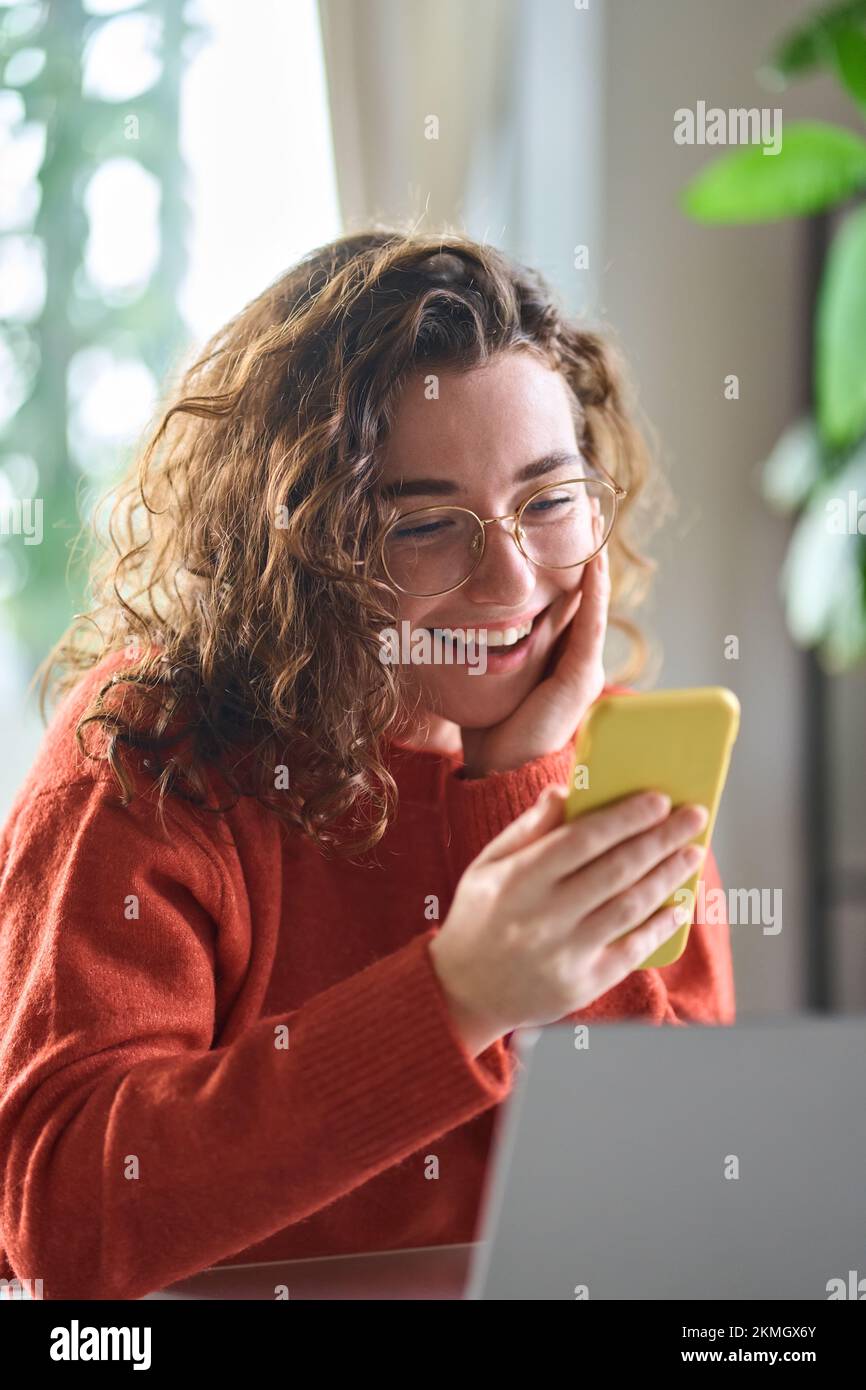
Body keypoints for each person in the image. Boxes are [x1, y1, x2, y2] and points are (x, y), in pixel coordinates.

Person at [0, 230, 734, 1301]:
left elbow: (686, 1210)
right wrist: (459, 996)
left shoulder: (626, 770)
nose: (508, 579)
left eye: (547, 499)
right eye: (425, 525)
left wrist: (520, 783)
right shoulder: (154, 756)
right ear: (303, 544)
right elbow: (63, 1222)